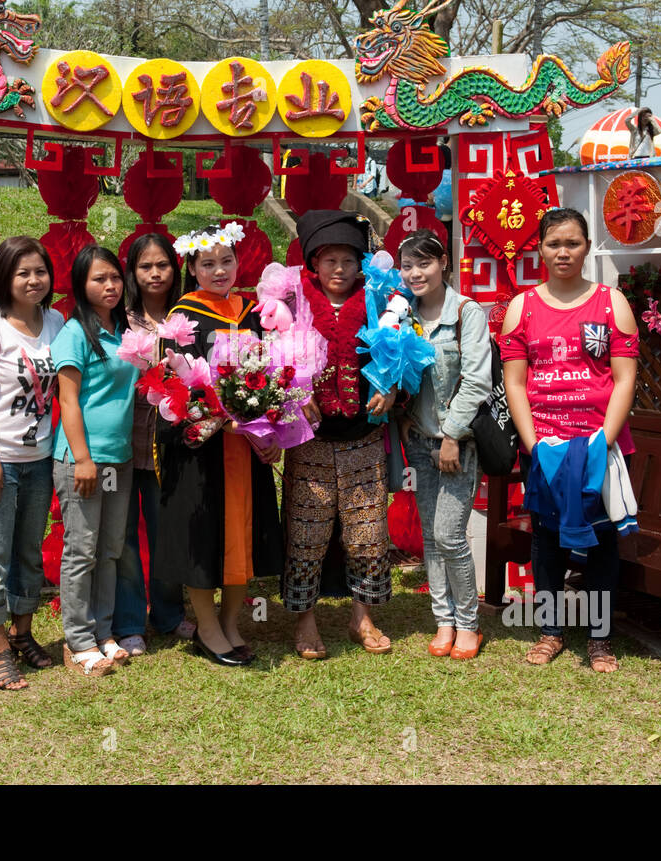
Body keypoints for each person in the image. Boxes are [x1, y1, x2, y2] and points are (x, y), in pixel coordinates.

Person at [499, 207, 638, 673]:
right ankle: (551, 631)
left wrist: (603, 441)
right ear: (539, 248)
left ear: (587, 247)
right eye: (554, 243)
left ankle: (599, 639)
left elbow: (623, 379)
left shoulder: (610, 302)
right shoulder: (522, 307)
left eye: (573, 243)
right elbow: (514, 383)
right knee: (547, 541)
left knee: (602, 541)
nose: (563, 252)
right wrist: (536, 445)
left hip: (603, 446)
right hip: (546, 447)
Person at [154, 224, 282, 667]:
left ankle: (231, 623)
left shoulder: (254, 310)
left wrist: (273, 433)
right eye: (207, 263)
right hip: (202, 448)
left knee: (243, 532)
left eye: (227, 260)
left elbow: (276, 376)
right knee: (203, 535)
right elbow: (173, 386)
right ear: (191, 268)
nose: (219, 270)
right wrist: (214, 419)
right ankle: (207, 629)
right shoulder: (181, 319)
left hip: (247, 446)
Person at [282, 210, 398, 659]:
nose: (339, 270)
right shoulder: (291, 303)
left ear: (361, 264)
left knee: (367, 531)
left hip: (363, 436)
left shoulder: (381, 300)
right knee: (306, 533)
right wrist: (293, 394)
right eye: (329, 260)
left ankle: (361, 617)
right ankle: (305, 623)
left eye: (348, 260)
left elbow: (404, 355)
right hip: (309, 440)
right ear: (314, 263)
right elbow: (271, 360)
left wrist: (392, 391)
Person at [0, 235, 65, 690]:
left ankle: (23, 634)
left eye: (40, 271)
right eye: (23, 272)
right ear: (5, 277)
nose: (33, 280)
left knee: (27, 552)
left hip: (38, 459)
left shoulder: (57, 321)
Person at [397, 230, 491, 660]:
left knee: (450, 535)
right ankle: (444, 621)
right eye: (408, 265)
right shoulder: (401, 313)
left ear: (444, 265)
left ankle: (469, 624)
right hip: (417, 440)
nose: (415, 273)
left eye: (424, 263)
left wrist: (452, 435)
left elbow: (476, 381)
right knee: (431, 540)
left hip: (457, 443)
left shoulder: (467, 313)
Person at [53, 245, 139, 677]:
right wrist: (83, 459)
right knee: (81, 549)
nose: (109, 286)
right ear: (80, 286)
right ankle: (79, 640)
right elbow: (68, 401)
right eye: (98, 279)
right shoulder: (73, 333)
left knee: (108, 550)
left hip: (118, 461)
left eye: (115, 278)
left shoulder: (125, 331)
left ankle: (104, 632)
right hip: (82, 462)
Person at [116, 233, 195, 653]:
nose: (154, 273)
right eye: (145, 266)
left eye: (162, 264)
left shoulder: (185, 317)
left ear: (175, 269)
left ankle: (168, 613)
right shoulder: (119, 319)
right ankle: (129, 620)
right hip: (125, 443)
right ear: (132, 272)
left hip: (171, 445)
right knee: (125, 534)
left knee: (167, 529)